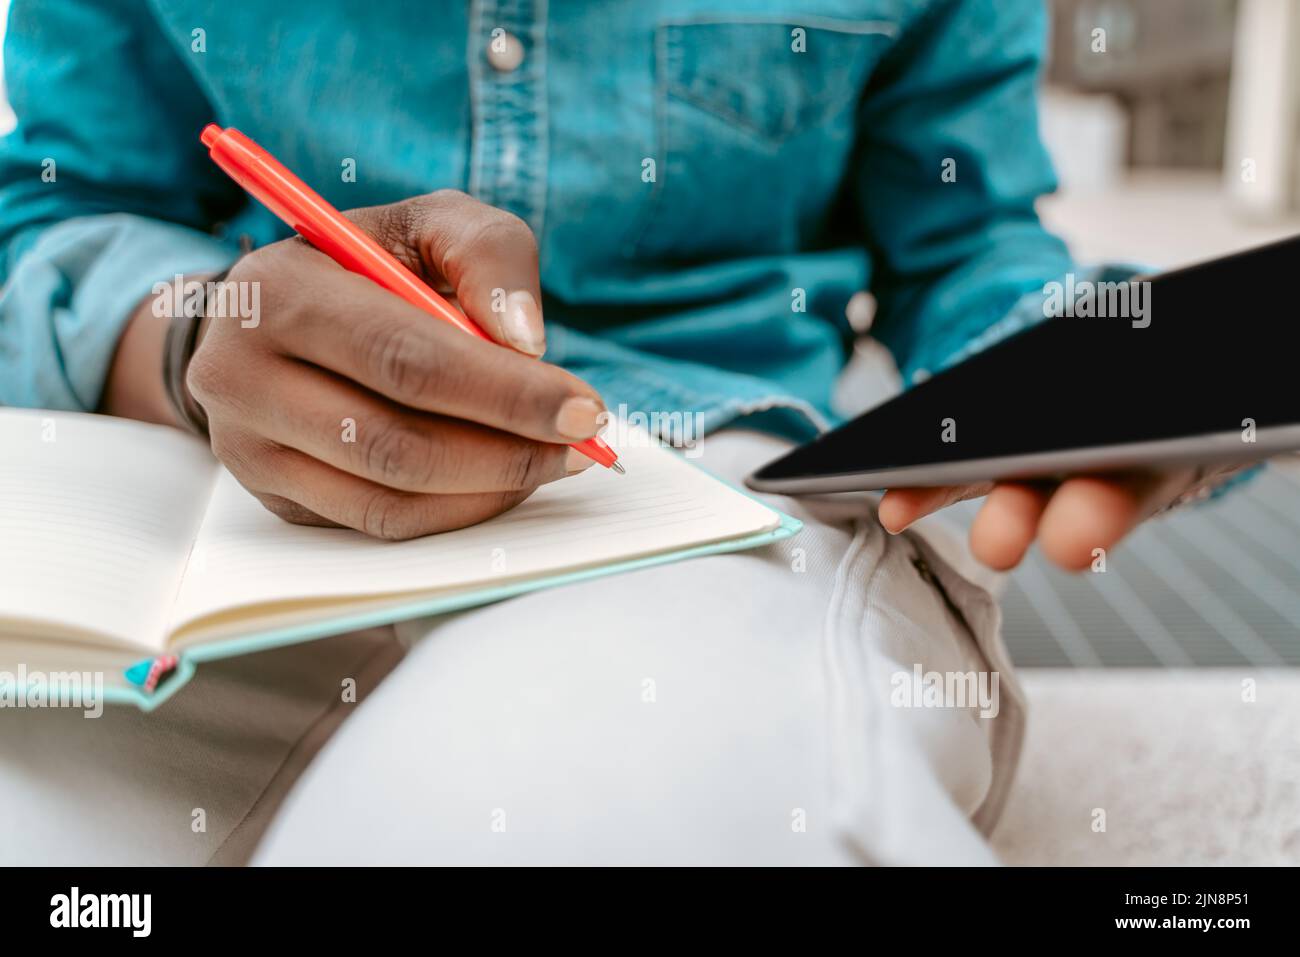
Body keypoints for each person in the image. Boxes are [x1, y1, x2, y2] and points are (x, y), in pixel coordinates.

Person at [0, 0, 1232, 865]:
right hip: (219, 509)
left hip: (700, 502)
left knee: (594, 816)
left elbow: (968, 240)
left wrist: (1090, 353)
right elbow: (58, 211)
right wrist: (203, 333)